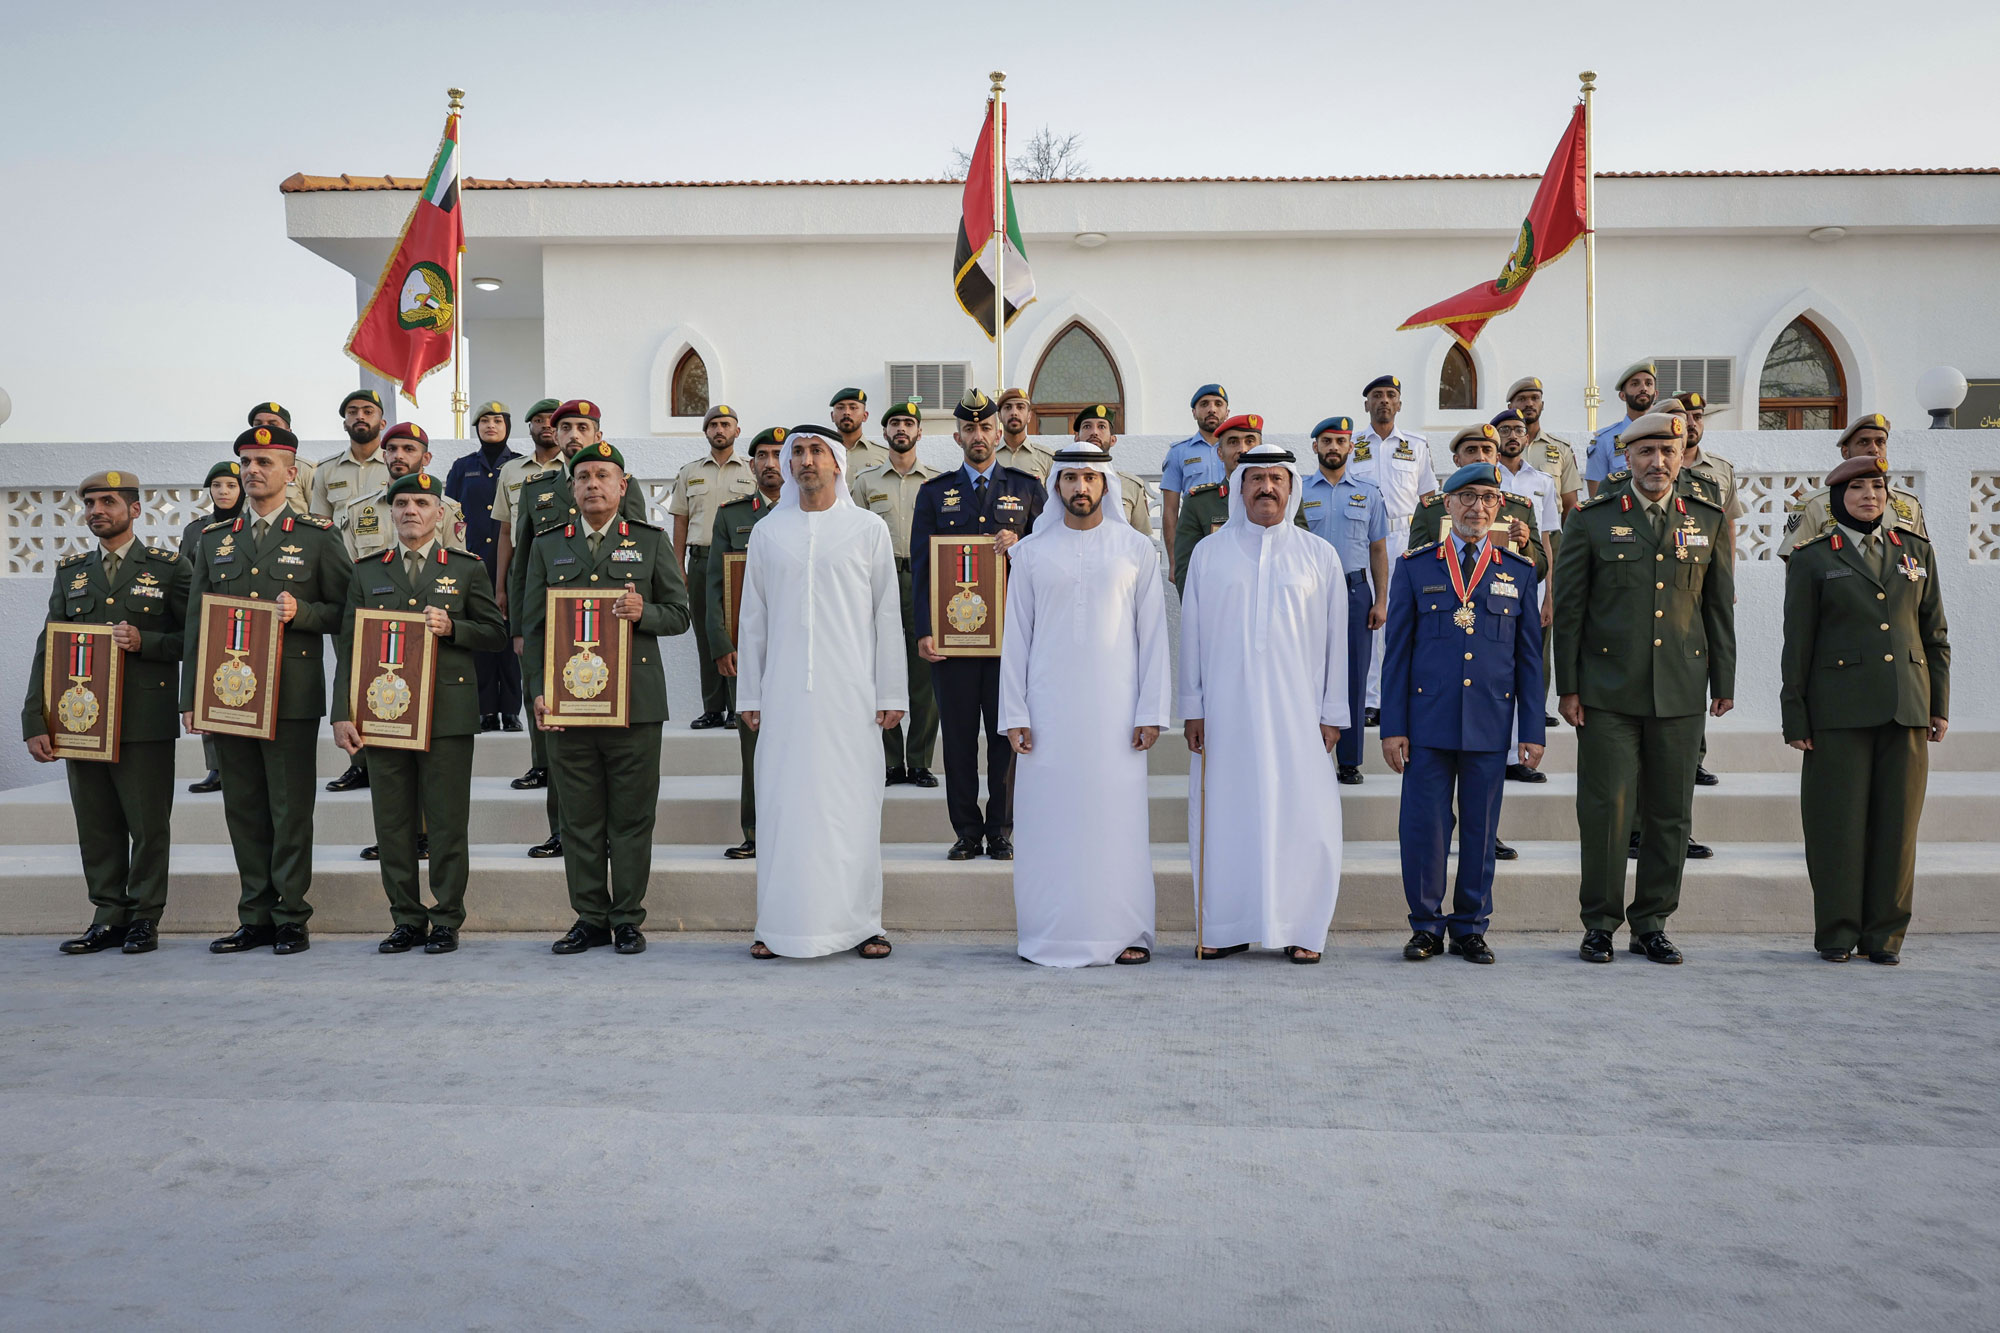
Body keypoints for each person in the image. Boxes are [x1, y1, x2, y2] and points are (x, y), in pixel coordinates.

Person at [1554, 411, 1734, 965]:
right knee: (1606, 809)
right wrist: (1569, 686)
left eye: (1668, 452)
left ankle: (1652, 922)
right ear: (1625, 459)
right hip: (1608, 691)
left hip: (1680, 690)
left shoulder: (1706, 517)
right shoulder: (1592, 518)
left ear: (1682, 457)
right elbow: (1570, 609)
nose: (1658, 463)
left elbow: (1717, 605)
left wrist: (1723, 679)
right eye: (1646, 453)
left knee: (1670, 812)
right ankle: (1600, 923)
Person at [736, 425, 908, 960]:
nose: (807, 461)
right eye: (798, 454)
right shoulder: (768, 532)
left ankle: (862, 925)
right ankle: (778, 925)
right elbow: (753, 619)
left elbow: (887, 616)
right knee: (785, 806)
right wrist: (750, 694)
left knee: (851, 805)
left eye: (817, 452)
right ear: (788, 467)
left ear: (837, 463)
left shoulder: (868, 529)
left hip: (851, 693)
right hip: (784, 694)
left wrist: (891, 690)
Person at [181, 425, 352, 955]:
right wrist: (190, 697)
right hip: (228, 696)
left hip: (291, 696)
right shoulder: (215, 539)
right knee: (244, 808)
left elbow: (349, 613)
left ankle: (290, 916)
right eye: (246, 463)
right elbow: (196, 622)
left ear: (290, 471)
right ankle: (253, 915)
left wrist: (303, 613)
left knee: (289, 808)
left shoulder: (317, 535)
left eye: (264, 463)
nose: (253, 471)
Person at [1001, 444, 1171, 966]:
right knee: (1050, 824)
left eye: (1090, 479)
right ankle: (1048, 932)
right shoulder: (1029, 552)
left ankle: (1122, 932)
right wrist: (1014, 713)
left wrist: (1151, 711)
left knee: (1113, 824)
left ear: (1105, 485)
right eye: (1070, 479)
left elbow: (1153, 638)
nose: (1080, 488)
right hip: (1048, 715)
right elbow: (1017, 640)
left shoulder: (1136, 549)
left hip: (1115, 717)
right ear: (1057, 487)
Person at [523, 431, 691, 955]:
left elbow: (680, 615)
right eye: (583, 477)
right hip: (569, 706)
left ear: (622, 487)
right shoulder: (549, 544)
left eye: (602, 477)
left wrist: (647, 614)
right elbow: (531, 629)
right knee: (578, 816)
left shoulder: (649, 540)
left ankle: (628, 917)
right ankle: (589, 916)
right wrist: (537, 693)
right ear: (572, 488)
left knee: (632, 815)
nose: (592, 485)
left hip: (635, 706)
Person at [1181, 441, 1348, 965]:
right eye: (1256, 479)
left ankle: (1303, 927)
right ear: (1239, 488)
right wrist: (1193, 706)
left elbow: (1337, 642)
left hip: (1299, 715)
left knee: (1303, 817)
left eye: (1277, 479)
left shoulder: (1319, 556)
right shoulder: (1209, 554)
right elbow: (1191, 636)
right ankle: (1226, 925)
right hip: (1225, 716)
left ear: (1292, 488)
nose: (1267, 488)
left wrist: (1333, 713)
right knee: (1226, 816)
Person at [1782, 455, 1949, 965]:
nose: (1869, 496)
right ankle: (1837, 932)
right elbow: (1798, 644)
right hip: (1838, 711)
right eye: (1857, 488)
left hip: (1908, 706)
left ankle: (1884, 936)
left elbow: (1935, 634)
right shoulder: (1813, 557)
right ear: (1838, 499)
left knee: (1898, 829)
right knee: (1838, 825)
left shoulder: (1914, 551)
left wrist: (1938, 704)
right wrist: (1796, 715)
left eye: (1877, 486)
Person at [331, 472, 506, 955]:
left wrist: (454, 627)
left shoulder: (467, 568)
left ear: (440, 513)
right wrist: (343, 712)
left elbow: (494, 632)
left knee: (447, 823)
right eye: (402, 503)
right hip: (382, 714)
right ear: (391, 512)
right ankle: (406, 918)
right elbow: (348, 647)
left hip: (447, 714)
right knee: (392, 824)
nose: (411, 510)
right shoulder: (367, 570)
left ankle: (447, 917)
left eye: (422, 503)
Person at [1380, 462, 1544, 965]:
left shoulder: (1518, 572)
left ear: (1499, 507)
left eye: (1488, 499)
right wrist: (1393, 727)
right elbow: (1397, 653)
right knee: (1424, 828)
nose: (1478, 508)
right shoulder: (1416, 566)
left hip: (1489, 722)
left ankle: (1471, 925)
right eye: (1467, 498)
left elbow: (1531, 659)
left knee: (1479, 828)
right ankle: (1426, 925)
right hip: (1427, 723)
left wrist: (1531, 730)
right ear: (1446, 505)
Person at [23, 471, 190, 956]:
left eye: (109, 502)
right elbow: (48, 646)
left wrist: (147, 641)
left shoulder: (168, 568)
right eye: (91, 502)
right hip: (80, 718)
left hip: (143, 719)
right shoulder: (71, 572)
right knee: (96, 825)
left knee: (147, 825)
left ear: (134, 510)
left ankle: (143, 918)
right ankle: (107, 915)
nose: (97, 510)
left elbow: (193, 640)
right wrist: (35, 718)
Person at [502, 398, 648, 859]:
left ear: (599, 435)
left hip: (611, 635)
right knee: (556, 735)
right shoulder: (537, 489)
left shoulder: (625, 483)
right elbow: (524, 565)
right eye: (563, 427)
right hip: (553, 633)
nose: (572, 434)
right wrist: (523, 630)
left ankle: (601, 832)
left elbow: (637, 546)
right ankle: (562, 829)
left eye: (582, 427)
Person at [912, 389, 1046, 861]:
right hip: (954, 642)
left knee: (1006, 737)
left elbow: (1049, 559)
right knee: (960, 739)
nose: (978, 436)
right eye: (969, 429)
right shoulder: (933, 492)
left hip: (1011, 640)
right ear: (957, 436)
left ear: (1000, 432)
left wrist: (1022, 541)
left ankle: (1001, 829)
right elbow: (924, 566)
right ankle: (967, 831)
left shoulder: (1028, 488)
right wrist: (924, 629)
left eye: (986, 427)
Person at [849, 399, 942, 787]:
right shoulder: (866, 482)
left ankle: (919, 760)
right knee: (881, 667)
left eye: (908, 423)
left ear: (920, 432)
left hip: (925, 580)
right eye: (894, 424)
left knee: (925, 672)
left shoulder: (937, 482)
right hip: (879, 582)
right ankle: (890, 761)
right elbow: (850, 536)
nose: (901, 429)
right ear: (884, 432)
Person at [709, 427, 789, 858]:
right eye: (762, 455)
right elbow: (715, 585)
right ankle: (756, 832)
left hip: (797, 652)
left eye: (779, 454)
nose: (770, 462)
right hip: (748, 653)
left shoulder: (808, 513)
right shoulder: (731, 515)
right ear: (751, 463)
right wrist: (721, 643)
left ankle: (794, 830)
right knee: (753, 742)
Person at [1299, 416, 1388, 785]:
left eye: (1340, 441)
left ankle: (1349, 760)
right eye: (1326, 441)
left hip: (1355, 591)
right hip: (1308, 592)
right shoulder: (1299, 490)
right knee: (1305, 671)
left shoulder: (1369, 493)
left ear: (1351, 447)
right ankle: (1305, 750)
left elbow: (1378, 549)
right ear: (1315, 447)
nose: (1333, 447)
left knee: (1353, 675)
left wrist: (1381, 600)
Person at [1350, 374, 1437, 720]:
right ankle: (1371, 700)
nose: (1384, 400)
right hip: (1363, 540)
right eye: (1376, 395)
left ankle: (1397, 696)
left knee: (1402, 617)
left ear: (1399, 404)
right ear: (1366, 404)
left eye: (1390, 395)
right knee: (1369, 617)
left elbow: (1428, 499)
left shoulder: (1415, 445)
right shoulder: (1352, 444)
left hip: (1406, 538)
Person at [670, 403, 758, 731]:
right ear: (705, 432)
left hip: (740, 561)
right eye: (714, 425)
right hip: (702, 561)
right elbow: (680, 520)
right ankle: (713, 708)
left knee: (738, 631)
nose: (720, 430)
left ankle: (739, 705)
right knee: (707, 633)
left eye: (726, 424)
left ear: (737, 430)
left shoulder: (750, 471)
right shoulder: (689, 472)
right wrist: (678, 564)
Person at [491, 396, 563, 792]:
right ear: (529, 428)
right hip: (530, 581)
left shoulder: (584, 471)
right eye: (539, 420)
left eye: (555, 420)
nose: (548, 426)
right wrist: (502, 588)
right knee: (532, 675)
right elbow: (508, 533)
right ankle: (541, 763)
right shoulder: (514, 473)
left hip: (573, 583)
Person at [445, 400, 523, 733]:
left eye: (497, 420)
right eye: (484, 421)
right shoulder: (462, 467)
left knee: (509, 637)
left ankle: (511, 710)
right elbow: (449, 514)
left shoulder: (520, 466)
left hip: (510, 564)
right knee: (479, 637)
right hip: (472, 563)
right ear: (476, 428)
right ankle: (486, 709)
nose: (491, 426)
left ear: (507, 426)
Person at [1173, 415, 1306, 593]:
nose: (1243, 450)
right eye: (1233, 442)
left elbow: (1301, 553)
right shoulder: (1199, 503)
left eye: (1250, 441)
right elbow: (1187, 572)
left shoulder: (1283, 499)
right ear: (1220, 453)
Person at [180, 460, 243, 794]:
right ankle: (216, 767)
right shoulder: (197, 530)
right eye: (217, 486)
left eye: (231, 485)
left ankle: (240, 763)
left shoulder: (250, 524)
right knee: (209, 692)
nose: (223, 492)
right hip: (208, 618)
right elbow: (186, 578)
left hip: (246, 623)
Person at [1784, 413, 1928, 555]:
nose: (1874, 449)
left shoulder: (1908, 503)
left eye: (1880, 442)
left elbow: (1921, 557)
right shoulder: (1815, 503)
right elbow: (1796, 563)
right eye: (1864, 442)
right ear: (1845, 452)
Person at [1159, 383, 1229, 574]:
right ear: (1194, 412)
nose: (1211, 409)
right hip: (1194, 536)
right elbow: (1170, 509)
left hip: (1233, 534)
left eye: (1218, 404)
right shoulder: (1179, 452)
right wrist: (1174, 560)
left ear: (1227, 411)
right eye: (1204, 404)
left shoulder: (1237, 449)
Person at [1071, 405, 1153, 535]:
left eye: (1102, 426)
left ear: (1113, 439)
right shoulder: (1065, 484)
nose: (1094, 432)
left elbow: (1142, 538)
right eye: (1087, 426)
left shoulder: (1131, 486)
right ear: (1076, 438)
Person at [1504, 377, 1582, 513]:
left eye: (1535, 398)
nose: (1529, 404)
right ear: (1510, 407)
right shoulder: (1497, 447)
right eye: (1522, 399)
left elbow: (1570, 504)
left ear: (1542, 404)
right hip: (1509, 528)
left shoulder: (1561, 449)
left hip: (1549, 530)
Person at [1584, 361, 1658, 496]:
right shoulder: (1604, 440)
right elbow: (1596, 499)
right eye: (1635, 384)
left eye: (1648, 383)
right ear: (1622, 395)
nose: (1643, 388)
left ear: (1656, 394)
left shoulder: (1668, 435)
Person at [249, 401, 316, 511]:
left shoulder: (306, 470)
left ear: (288, 432)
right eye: (258, 424)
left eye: (272, 424)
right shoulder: (244, 470)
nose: (264, 429)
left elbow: (319, 515)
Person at [995, 388, 1054, 480]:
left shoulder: (1046, 458)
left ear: (1029, 416)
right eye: (1008, 407)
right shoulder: (989, 456)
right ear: (999, 416)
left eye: (1020, 407)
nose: (1014, 413)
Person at [830, 387, 889, 474]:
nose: (846, 412)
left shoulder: (884, 455)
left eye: (853, 408)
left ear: (865, 416)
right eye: (840, 408)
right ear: (832, 416)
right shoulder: (822, 451)